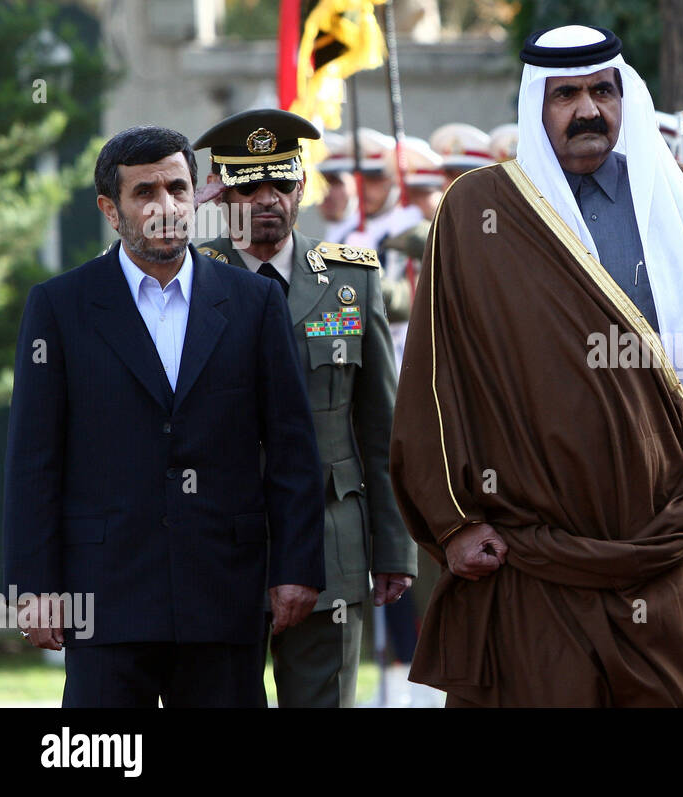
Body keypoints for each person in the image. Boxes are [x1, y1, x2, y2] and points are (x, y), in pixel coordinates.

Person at [389, 24, 683, 707]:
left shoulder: (682, 198)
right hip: (538, 560)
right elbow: (433, 383)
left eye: (602, 90)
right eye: (564, 94)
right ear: (536, 106)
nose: (587, 109)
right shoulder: (479, 212)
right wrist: (451, 522)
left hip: (670, 545)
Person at [3, 125, 325, 707]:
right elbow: (33, 460)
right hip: (104, 598)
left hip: (224, 596)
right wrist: (33, 587)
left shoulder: (253, 304)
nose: (165, 206)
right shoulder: (60, 306)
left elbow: (292, 448)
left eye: (178, 188)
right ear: (110, 209)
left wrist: (296, 567)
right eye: (144, 192)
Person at [192, 109, 417, 708]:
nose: (267, 200)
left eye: (281, 184)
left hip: (331, 536)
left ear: (302, 187)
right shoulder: (188, 282)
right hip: (220, 543)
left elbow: (381, 427)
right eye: (248, 188)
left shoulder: (351, 281)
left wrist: (394, 548)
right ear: (221, 194)